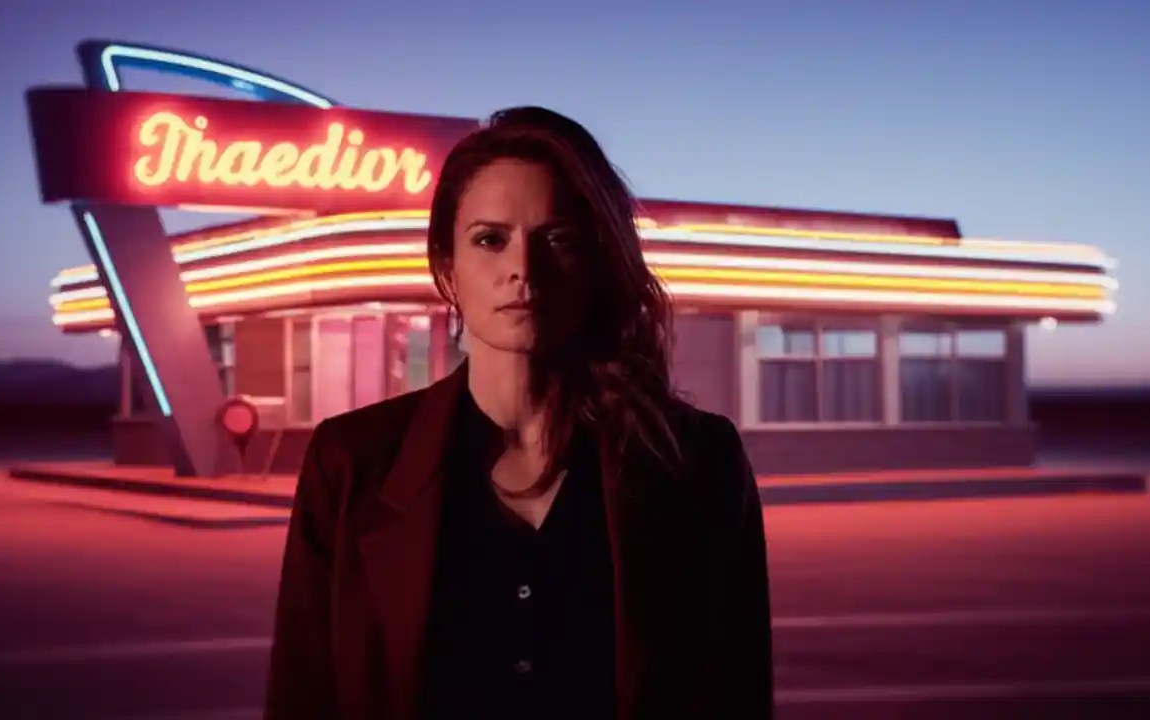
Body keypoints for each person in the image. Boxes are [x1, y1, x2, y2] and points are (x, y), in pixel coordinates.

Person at [265, 106, 773, 720]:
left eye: (557, 239)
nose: (522, 270)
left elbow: (736, 694)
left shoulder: (697, 461)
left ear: (597, 262)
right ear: (447, 269)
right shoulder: (351, 461)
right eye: (489, 239)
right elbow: (303, 693)